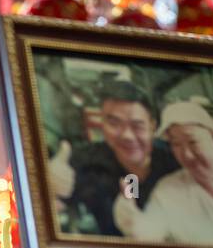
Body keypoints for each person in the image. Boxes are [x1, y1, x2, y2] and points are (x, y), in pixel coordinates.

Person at [113, 99, 213, 248]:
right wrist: (132, 220)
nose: (186, 154)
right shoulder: (168, 191)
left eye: (193, 141)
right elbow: (149, 236)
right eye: (176, 144)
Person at [47, 77, 177, 236]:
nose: (127, 136)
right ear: (102, 124)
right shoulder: (83, 161)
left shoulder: (176, 161)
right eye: (114, 123)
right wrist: (47, 184)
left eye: (137, 126)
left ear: (153, 127)